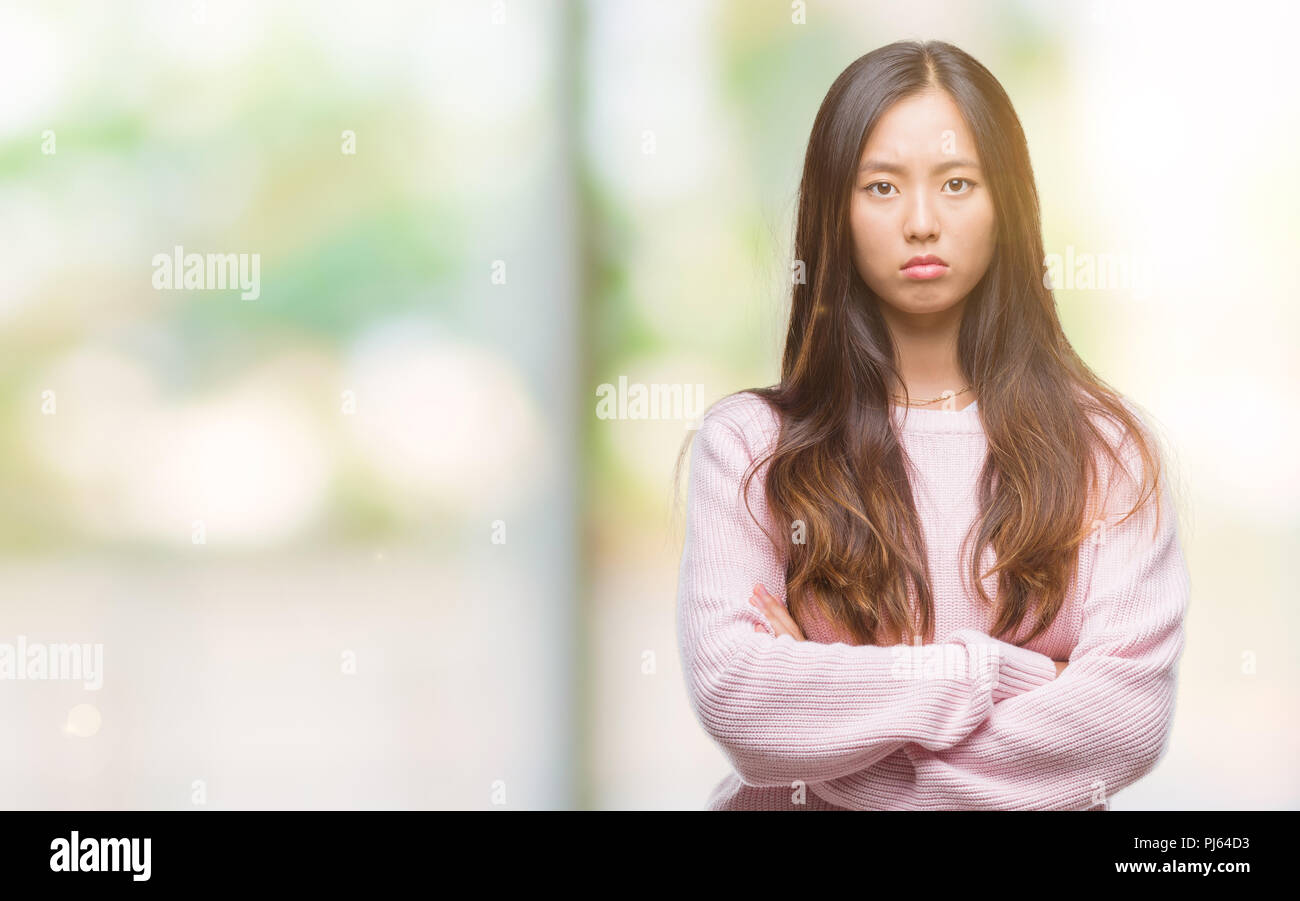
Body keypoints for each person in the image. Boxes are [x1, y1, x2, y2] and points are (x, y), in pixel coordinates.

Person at [673, 40, 1189, 810]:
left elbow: (1124, 723)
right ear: (833, 211)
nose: (921, 221)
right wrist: (1003, 673)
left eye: (956, 183)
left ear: (1005, 203)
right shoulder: (749, 446)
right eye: (881, 186)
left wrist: (832, 750)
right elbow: (741, 705)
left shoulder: (1106, 450)